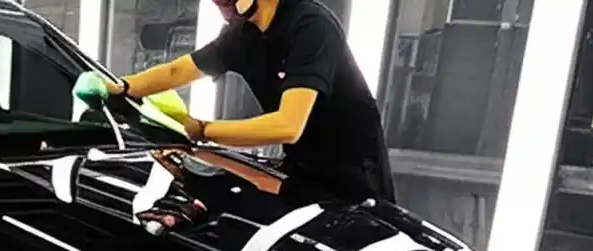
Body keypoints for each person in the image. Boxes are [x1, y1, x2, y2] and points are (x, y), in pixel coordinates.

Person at [74, 0, 396, 203]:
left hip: (357, 185)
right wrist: (122, 87)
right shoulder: (242, 35)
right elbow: (178, 70)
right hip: (302, 173)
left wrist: (201, 130)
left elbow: (288, 125)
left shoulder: (311, 28)